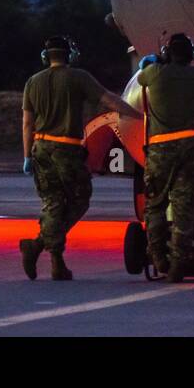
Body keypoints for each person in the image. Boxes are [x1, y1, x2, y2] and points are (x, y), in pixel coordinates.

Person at [20, 35, 139, 281]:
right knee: (79, 200)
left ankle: (47, 254)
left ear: (46, 57)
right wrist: (138, 115)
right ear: (70, 55)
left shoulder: (33, 82)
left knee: (53, 203)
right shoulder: (79, 77)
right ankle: (46, 253)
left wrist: (26, 155)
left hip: (41, 148)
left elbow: (27, 123)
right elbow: (110, 100)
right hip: (67, 150)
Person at [137, 33, 194, 282]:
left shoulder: (155, 73)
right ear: (192, 55)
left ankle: (159, 259)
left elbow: (141, 76)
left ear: (168, 54)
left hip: (160, 147)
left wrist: (156, 60)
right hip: (191, 146)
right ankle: (179, 264)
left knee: (155, 204)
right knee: (185, 207)